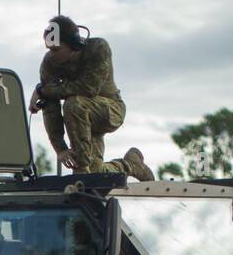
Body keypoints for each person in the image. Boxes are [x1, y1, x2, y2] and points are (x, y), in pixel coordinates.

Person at [28, 15, 153, 180]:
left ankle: (81, 171)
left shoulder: (97, 49)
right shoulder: (50, 63)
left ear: (74, 44)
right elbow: (50, 107)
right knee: (96, 175)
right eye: (49, 49)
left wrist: (43, 90)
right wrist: (61, 149)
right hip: (81, 122)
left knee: (74, 104)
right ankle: (131, 165)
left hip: (111, 110)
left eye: (56, 49)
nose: (52, 54)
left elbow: (88, 88)